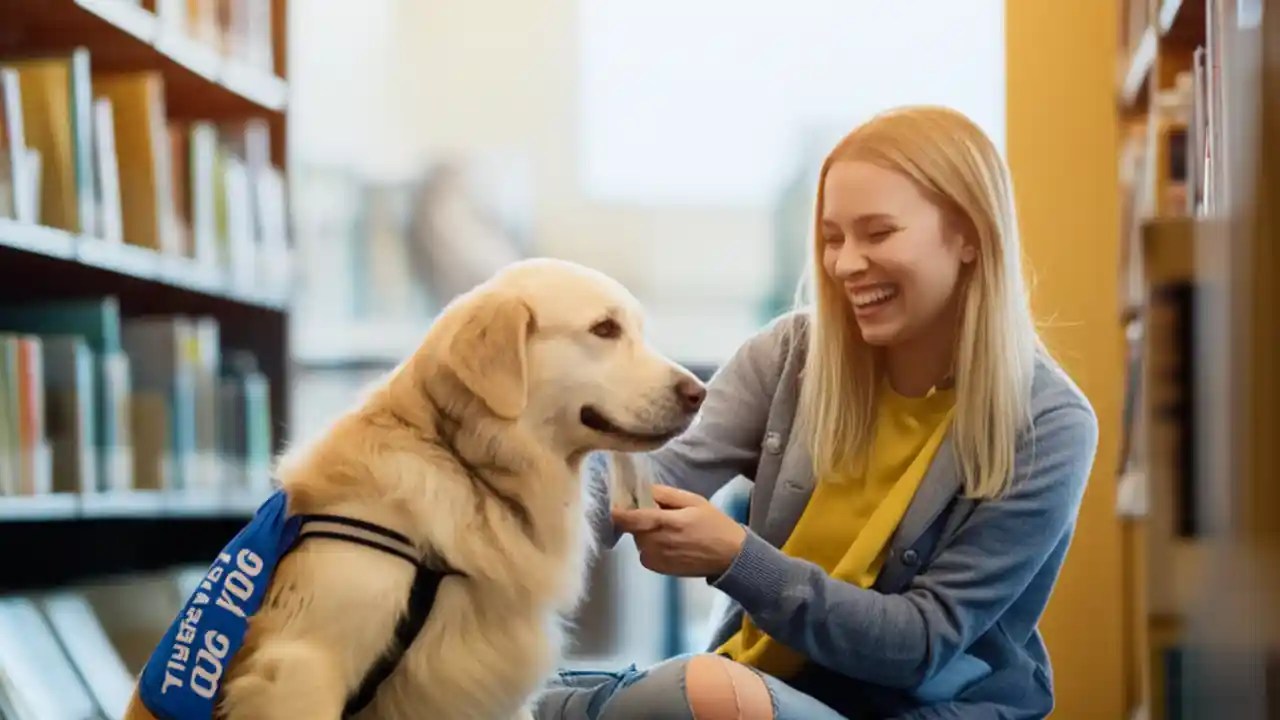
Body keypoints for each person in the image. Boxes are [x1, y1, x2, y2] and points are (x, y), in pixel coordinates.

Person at [533, 105, 1099, 720]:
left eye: (878, 233)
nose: (846, 263)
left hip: (909, 710)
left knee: (696, 691)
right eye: (833, 238)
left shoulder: (1049, 425)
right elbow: (644, 484)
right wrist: (502, 477)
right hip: (752, 691)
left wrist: (737, 559)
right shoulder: (790, 356)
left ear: (970, 235)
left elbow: (919, 644)